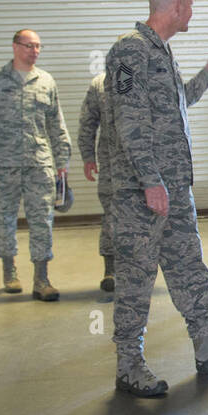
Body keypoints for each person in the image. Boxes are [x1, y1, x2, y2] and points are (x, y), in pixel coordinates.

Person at [106, 0, 208, 397]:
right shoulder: (129, 50)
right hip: (143, 193)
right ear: (174, 8)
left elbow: (176, 103)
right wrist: (150, 180)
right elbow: (128, 119)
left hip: (175, 188)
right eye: (190, 8)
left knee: (190, 267)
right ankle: (128, 365)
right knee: (136, 278)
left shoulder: (162, 51)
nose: (192, 15)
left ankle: (207, 346)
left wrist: (207, 76)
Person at [0, 29, 71, 301]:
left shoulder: (46, 81)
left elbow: (56, 123)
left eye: (38, 46)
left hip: (39, 163)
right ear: (14, 47)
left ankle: (41, 277)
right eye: (28, 46)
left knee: (42, 220)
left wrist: (62, 160)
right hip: (2, 164)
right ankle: (9, 270)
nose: (33, 51)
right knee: (4, 220)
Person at [77, 72, 117, 293]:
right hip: (112, 164)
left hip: (146, 167)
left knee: (145, 220)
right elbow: (88, 122)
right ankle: (110, 270)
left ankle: (138, 271)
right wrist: (88, 157)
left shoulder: (149, 77)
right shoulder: (100, 84)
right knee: (112, 215)